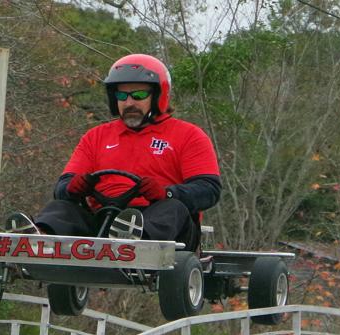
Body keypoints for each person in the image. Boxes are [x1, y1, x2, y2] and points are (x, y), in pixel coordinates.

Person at [17, 54, 221, 247]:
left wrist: (166, 192)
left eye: (138, 95)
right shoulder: (96, 137)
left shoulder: (189, 135)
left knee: (173, 208)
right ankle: (40, 238)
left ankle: (134, 239)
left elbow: (208, 190)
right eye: (122, 95)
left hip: (162, 228)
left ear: (159, 96)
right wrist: (72, 188)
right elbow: (61, 188)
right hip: (102, 223)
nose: (129, 102)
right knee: (60, 208)